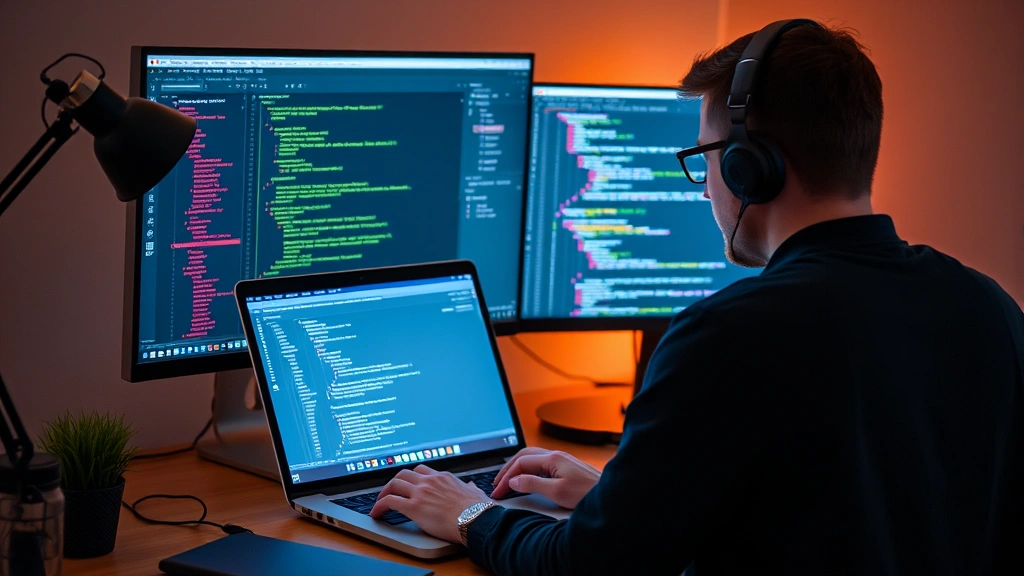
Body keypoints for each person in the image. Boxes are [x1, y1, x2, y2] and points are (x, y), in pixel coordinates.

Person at [369, 19, 1024, 575]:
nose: (707, 185)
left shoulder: (729, 334)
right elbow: (832, 514)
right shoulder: (989, 308)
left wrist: (471, 513)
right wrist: (617, 498)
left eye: (706, 156)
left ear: (749, 165)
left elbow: (588, 569)